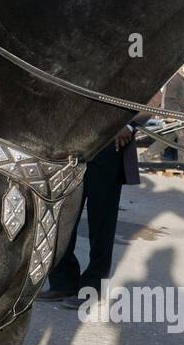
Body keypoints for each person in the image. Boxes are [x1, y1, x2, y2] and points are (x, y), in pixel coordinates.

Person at [38, 123, 141, 305]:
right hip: (71, 143)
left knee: (101, 219)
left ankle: (92, 287)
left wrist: (129, 124)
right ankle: (63, 282)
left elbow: (150, 97)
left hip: (109, 142)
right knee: (62, 217)